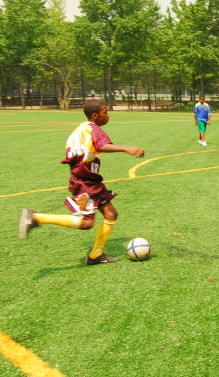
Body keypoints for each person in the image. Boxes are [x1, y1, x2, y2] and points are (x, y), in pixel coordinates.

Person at [18, 99, 145, 265]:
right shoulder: (93, 128)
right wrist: (127, 148)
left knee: (110, 214)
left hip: (88, 181)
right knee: (87, 223)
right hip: (85, 183)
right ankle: (36, 217)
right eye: (105, 112)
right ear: (95, 115)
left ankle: (95, 255)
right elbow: (101, 145)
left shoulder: (80, 130)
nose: (108, 115)